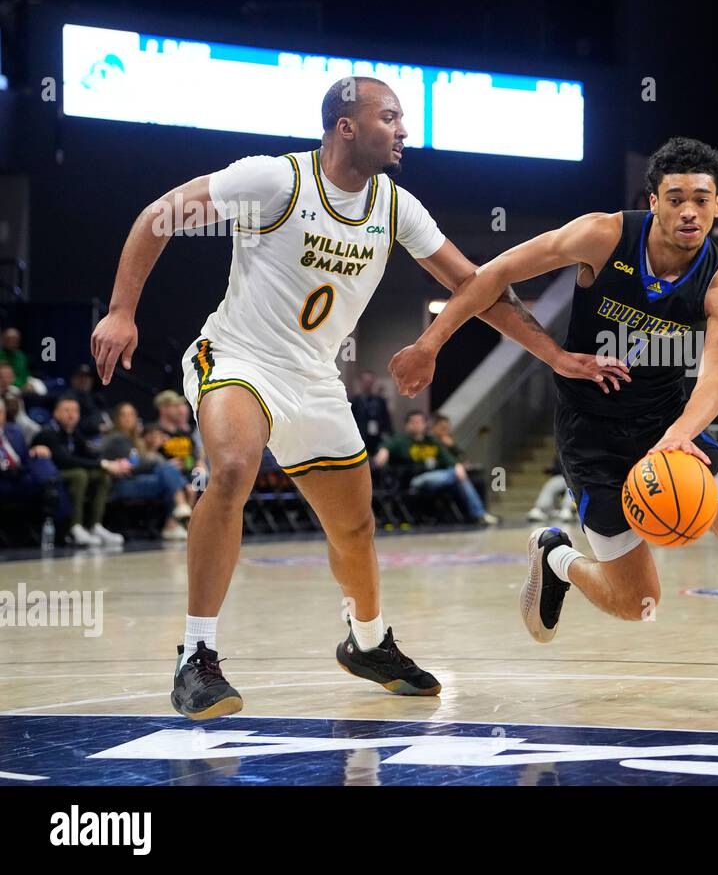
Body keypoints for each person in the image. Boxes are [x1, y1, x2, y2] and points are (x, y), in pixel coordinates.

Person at [90, 76, 620, 719]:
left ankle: (367, 642)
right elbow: (158, 216)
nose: (403, 131)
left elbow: (476, 287)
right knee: (230, 471)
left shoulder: (397, 207)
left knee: (356, 525)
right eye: (390, 117)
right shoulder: (274, 180)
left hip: (314, 379)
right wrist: (122, 311)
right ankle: (196, 656)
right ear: (345, 125)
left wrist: (556, 356)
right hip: (238, 358)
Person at [394, 136, 718, 710]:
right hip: (593, 434)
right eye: (676, 197)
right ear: (653, 200)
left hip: (668, 425)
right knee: (639, 605)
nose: (689, 210)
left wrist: (680, 435)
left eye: (702, 200)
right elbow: (493, 275)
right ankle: (557, 556)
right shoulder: (602, 234)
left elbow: (715, 378)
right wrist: (436, 343)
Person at [31, 395, 124, 547]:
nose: (71, 414)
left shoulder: (73, 432)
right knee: (80, 474)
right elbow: (65, 460)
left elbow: (89, 454)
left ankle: (95, 526)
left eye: (75, 410)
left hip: (66, 473)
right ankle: (75, 527)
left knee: (102, 475)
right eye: (66, 410)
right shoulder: (48, 433)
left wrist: (114, 463)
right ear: (56, 414)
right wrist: (103, 464)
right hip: (50, 477)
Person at [102, 402, 191, 541]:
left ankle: (173, 522)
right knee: (167, 472)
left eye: (131, 414)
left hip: (136, 480)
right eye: (123, 415)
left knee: (167, 475)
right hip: (122, 484)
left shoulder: (133, 440)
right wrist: (157, 462)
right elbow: (131, 466)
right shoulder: (117, 439)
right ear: (117, 418)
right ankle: (175, 517)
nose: (128, 418)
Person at [0, 397, 61, 534]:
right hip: (2, 480)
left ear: (4, 415)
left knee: (43, 460)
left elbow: (24, 458)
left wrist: (34, 450)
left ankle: (51, 490)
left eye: (0, 413)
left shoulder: (14, 431)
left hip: (19, 476)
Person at [349, 370, 393, 455]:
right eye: (365, 381)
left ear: (374, 383)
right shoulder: (354, 401)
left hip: (377, 438)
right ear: (361, 383)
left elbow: (387, 421)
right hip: (359, 438)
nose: (368, 384)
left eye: (370, 381)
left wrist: (387, 439)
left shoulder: (380, 401)